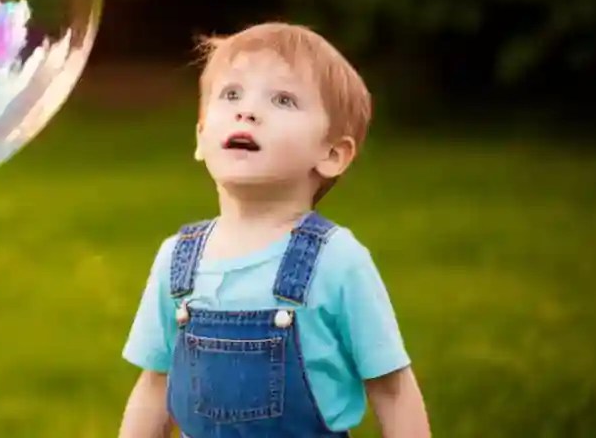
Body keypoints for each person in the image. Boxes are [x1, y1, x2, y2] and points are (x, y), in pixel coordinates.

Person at [117, 22, 431, 437]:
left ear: (332, 154)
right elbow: (155, 385)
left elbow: (392, 390)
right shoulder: (177, 259)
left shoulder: (337, 261)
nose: (246, 111)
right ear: (200, 137)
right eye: (231, 94)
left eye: (282, 100)